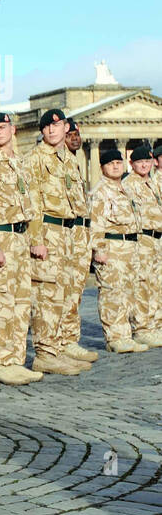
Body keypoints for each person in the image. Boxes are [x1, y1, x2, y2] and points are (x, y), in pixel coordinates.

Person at [23, 109, 91, 376]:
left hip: (68, 234)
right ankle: (45, 353)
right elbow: (33, 203)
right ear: (42, 131)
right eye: (47, 127)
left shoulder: (69, 160)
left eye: (57, 126)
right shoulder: (36, 159)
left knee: (64, 294)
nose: (51, 131)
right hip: (48, 231)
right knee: (47, 296)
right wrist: (37, 239)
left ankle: (59, 347)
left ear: (66, 128)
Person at [0, 112, 44, 385]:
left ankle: (16, 359)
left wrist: (34, 238)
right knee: (1, 302)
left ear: (13, 129)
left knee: (21, 303)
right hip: (3, 237)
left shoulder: (20, 163)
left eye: (2, 127)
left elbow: (31, 204)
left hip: (20, 237)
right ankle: (1, 361)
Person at [90, 148, 146, 352]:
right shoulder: (101, 192)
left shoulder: (125, 189)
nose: (115, 166)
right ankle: (115, 337)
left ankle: (125, 334)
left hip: (129, 248)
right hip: (112, 248)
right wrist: (99, 249)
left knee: (129, 292)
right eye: (110, 163)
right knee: (112, 293)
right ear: (103, 167)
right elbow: (96, 224)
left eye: (118, 162)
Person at [60, 120, 100, 365]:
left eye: (77, 134)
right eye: (70, 134)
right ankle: (62, 342)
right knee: (64, 293)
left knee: (76, 294)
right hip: (68, 235)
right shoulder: (61, 161)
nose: (75, 138)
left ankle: (70, 340)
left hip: (81, 236)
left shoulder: (75, 162)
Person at [121, 144, 162, 347]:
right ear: (132, 163)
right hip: (142, 239)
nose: (144, 165)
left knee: (155, 284)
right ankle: (142, 328)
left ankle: (155, 325)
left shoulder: (152, 183)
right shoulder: (130, 185)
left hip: (156, 240)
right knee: (143, 285)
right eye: (140, 162)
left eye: (147, 161)